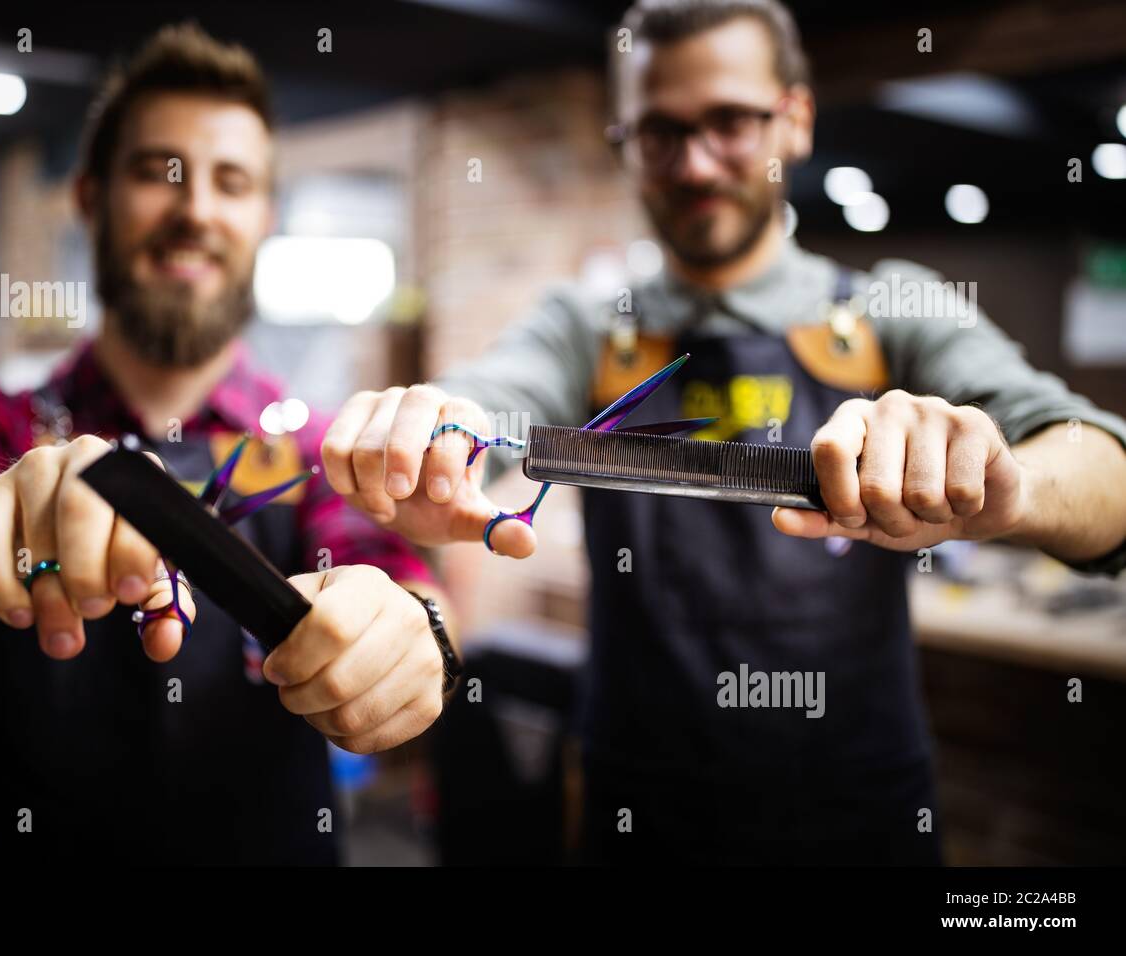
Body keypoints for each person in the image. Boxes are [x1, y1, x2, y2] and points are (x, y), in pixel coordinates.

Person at [321, 0, 1126, 864]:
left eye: (730, 123)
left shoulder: (890, 308)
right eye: (659, 132)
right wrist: (439, 422)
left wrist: (1015, 484)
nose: (695, 163)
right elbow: (494, 398)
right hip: (640, 809)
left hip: (859, 807)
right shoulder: (593, 326)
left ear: (797, 117)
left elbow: (1104, 469)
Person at [0, 24, 455, 865]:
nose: (194, 208)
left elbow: (407, 585)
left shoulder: (313, 449)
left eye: (229, 182)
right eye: (156, 172)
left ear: (263, 219)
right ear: (91, 198)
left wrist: (412, 639)